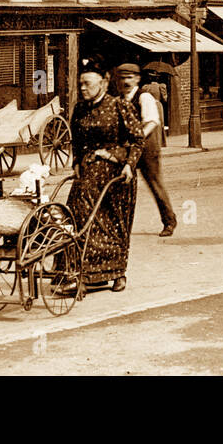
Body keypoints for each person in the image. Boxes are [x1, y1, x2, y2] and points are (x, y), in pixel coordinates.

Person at [65, 59, 145, 292]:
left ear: (103, 83)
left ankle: (118, 273)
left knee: (113, 225)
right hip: (88, 174)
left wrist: (129, 165)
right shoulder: (80, 109)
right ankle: (80, 273)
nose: (83, 88)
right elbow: (76, 140)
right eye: (80, 84)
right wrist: (76, 162)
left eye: (88, 84)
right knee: (78, 217)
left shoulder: (119, 106)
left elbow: (137, 139)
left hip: (116, 176)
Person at [114, 63, 177, 237]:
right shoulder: (119, 100)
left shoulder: (144, 97)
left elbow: (151, 121)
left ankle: (169, 221)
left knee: (155, 184)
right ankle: (120, 225)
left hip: (148, 149)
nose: (126, 82)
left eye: (129, 78)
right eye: (122, 78)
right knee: (121, 185)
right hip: (129, 149)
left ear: (137, 79)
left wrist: (137, 137)